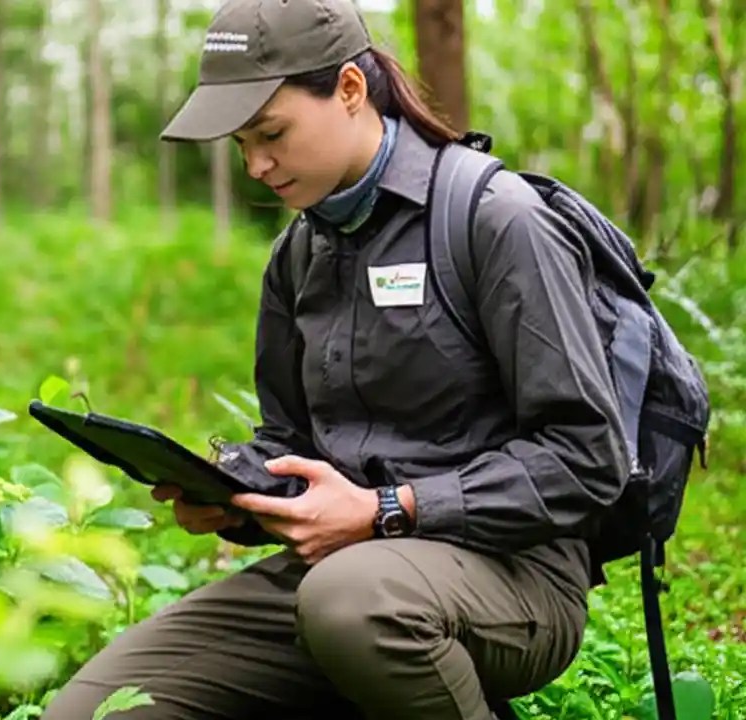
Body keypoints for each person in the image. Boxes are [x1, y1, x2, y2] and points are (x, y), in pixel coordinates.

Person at [42, 0, 633, 719]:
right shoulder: (300, 253)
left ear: (351, 90)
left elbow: (587, 457)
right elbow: (291, 443)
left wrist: (389, 510)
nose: (257, 165)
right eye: (241, 144)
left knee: (354, 607)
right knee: (97, 710)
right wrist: (235, 496)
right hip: (339, 574)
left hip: (513, 573)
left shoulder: (495, 220)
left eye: (272, 133)